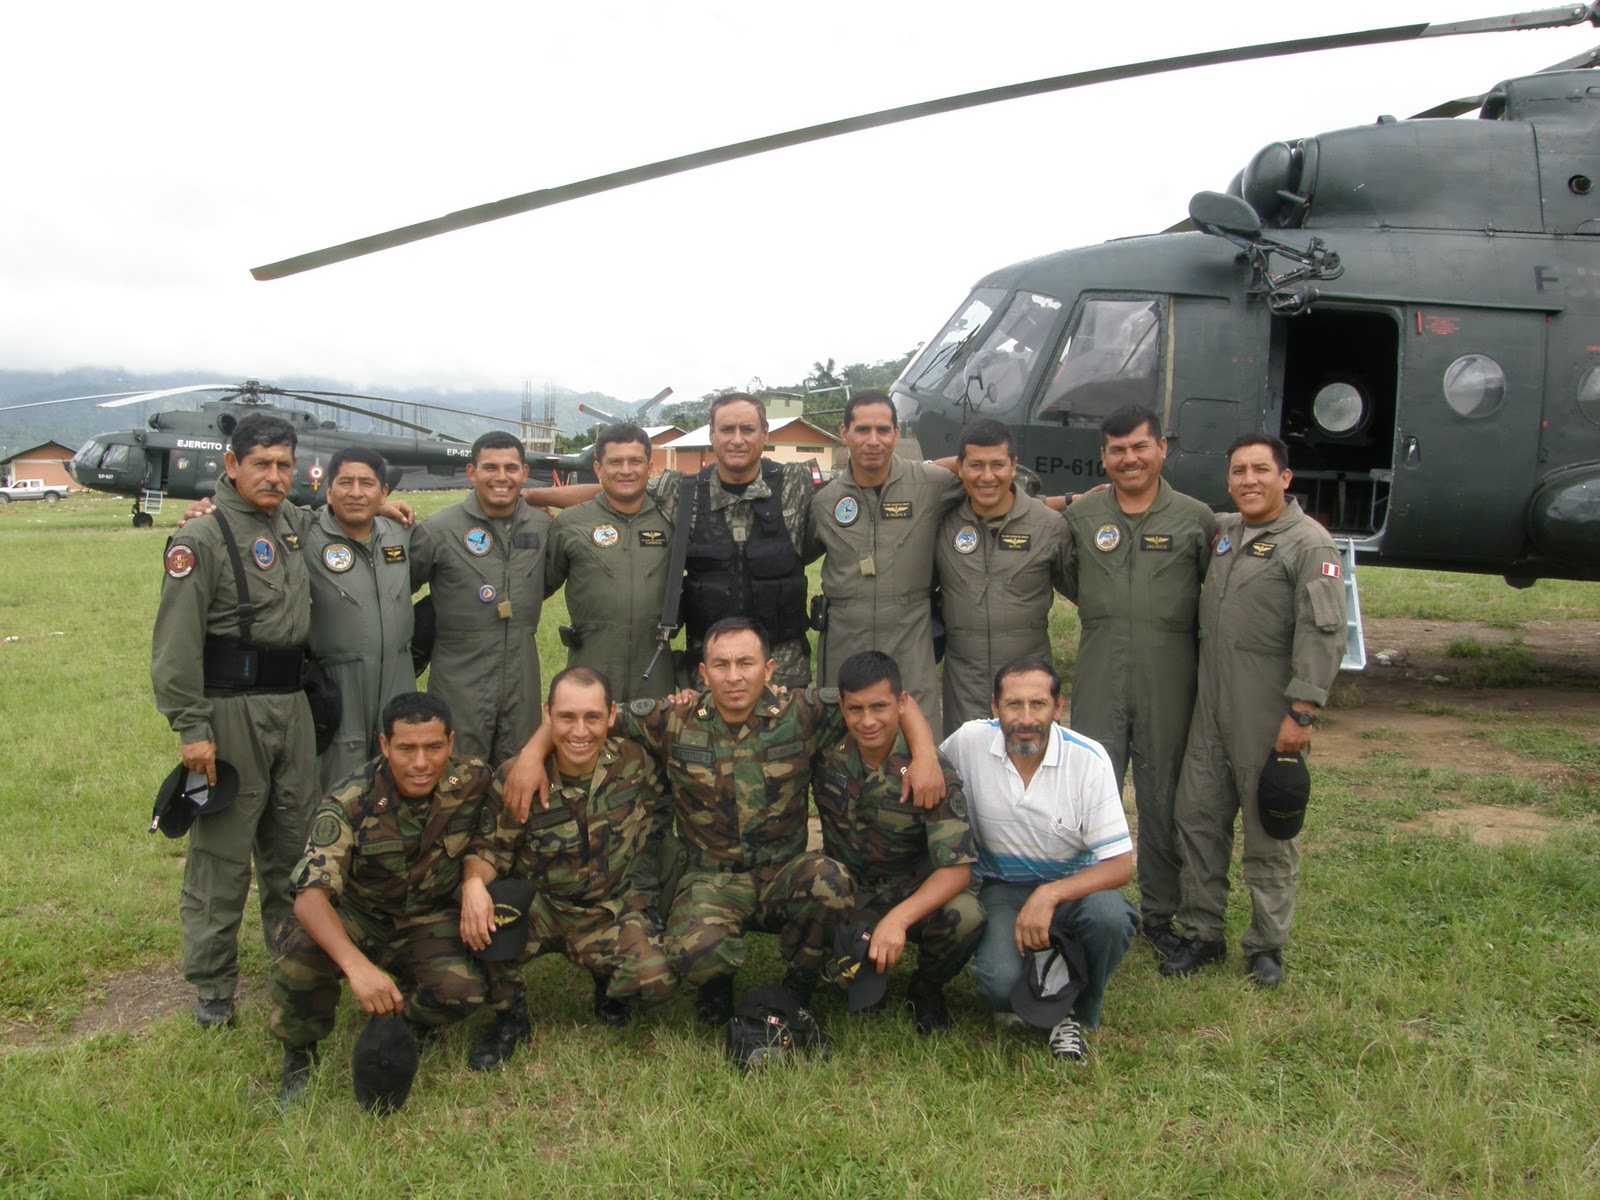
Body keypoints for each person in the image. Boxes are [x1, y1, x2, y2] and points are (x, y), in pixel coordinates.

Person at [502, 616, 947, 1027]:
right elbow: (592, 716)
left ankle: (800, 981)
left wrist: (925, 755)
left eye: (746, 663)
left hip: (783, 872)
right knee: (694, 953)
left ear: (769, 669)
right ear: (702, 673)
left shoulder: (804, 711)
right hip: (710, 878)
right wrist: (532, 753)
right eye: (721, 664)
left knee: (830, 882)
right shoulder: (672, 719)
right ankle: (716, 986)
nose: (734, 676)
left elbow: (882, 699)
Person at [269, 693, 529, 1105]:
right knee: (301, 944)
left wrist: (474, 881)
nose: (421, 763)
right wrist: (355, 967)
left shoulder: (473, 780)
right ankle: (300, 1052)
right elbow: (310, 898)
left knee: (461, 991)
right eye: (406, 748)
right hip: (362, 917)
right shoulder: (350, 800)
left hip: (429, 919)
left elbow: (493, 838)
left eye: (434, 747)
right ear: (385, 745)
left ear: (451, 742)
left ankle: (411, 1017)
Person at [151, 412, 319, 1029]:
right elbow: (175, 646)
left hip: (291, 707)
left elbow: (349, 518)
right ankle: (214, 988)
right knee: (221, 858)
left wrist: (396, 512)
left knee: (294, 846)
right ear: (231, 466)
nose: (275, 476)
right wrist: (191, 727)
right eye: (261, 465)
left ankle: (293, 965)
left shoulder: (293, 524)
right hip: (229, 712)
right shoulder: (201, 539)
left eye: (284, 465)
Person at [1163, 434, 1347, 987]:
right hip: (1210, 709)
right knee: (1197, 819)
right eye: (1238, 470)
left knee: (1269, 832)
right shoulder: (1227, 533)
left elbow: (1323, 634)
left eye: (1261, 470)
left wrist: (1302, 713)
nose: (1249, 480)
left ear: (1284, 479)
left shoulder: (1309, 545)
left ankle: (1266, 946)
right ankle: (1203, 932)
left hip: (1267, 713)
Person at [1060, 405, 1218, 959]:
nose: (1129, 458)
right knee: (1087, 789)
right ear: (1103, 456)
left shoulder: (1197, 519)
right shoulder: (1083, 517)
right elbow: (1069, 577)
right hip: (1102, 665)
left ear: (1162, 448)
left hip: (1169, 671)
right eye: (1117, 449)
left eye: (1139, 447)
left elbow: (1212, 591)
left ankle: (1159, 913)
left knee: (1163, 794)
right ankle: (1079, 907)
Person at [527, 393, 818, 689]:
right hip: (709, 672)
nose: (737, 440)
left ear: (765, 433)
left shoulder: (797, 484)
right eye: (727, 430)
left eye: (747, 429)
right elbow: (614, 489)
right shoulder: (682, 491)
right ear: (712, 434)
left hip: (783, 670)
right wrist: (529, 496)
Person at [939, 656, 1138, 1062]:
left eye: (1038, 704)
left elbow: (1120, 865)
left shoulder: (1089, 760)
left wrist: (1049, 896)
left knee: (1110, 919)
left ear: (1058, 708)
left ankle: (1076, 1015)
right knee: (997, 986)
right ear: (994, 708)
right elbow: (925, 763)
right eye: (1013, 705)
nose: (1026, 718)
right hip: (1004, 890)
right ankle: (1041, 976)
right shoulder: (968, 743)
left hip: (1075, 889)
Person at [464, 667, 676, 1028]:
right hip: (540, 907)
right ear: (547, 716)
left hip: (607, 908)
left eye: (593, 717)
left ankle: (608, 985)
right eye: (566, 717)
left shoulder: (634, 762)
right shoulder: (518, 776)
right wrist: (472, 884)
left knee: (656, 979)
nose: (580, 731)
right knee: (485, 937)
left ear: (611, 715)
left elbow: (656, 823)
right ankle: (509, 1018)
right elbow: (490, 850)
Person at [814, 651, 984, 1034]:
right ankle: (847, 965)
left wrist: (898, 920)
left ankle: (926, 987)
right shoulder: (826, 746)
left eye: (880, 707)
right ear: (841, 706)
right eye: (855, 709)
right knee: (848, 981)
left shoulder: (930, 772)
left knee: (967, 916)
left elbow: (956, 871)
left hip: (912, 891)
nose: (868, 720)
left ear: (902, 703)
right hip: (852, 891)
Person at [808, 391, 966, 725]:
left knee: (917, 732)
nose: (873, 440)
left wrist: (1069, 502)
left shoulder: (931, 484)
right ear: (844, 433)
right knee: (843, 733)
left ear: (897, 433)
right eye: (862, 430)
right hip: (845, 636)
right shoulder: (823, 502)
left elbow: (996, 483)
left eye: (883, 430)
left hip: (909, 634)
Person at [410, 431, 551, 764]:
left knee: (518, 771)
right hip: (460, 679)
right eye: (490, 467)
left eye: (511, 468)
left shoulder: (545, 528)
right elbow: (398, 590)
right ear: (472, 472)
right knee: (457, 776)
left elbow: (550, 579)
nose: (501, 477)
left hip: (522, 676)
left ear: (524, 474)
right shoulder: (437, 530)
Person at [934, 419, 1071, 735]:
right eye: (976, 465)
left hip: (1028, 683)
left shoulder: (1049, 526)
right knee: (966, 772)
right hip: (964, 683)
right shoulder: (942, 524)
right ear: (960, 468)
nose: (987, 476)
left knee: (1032, 772)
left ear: (1014, 466)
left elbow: (1083, 594)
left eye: (997, 464)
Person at [305, 448, 416, 790]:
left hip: (397, 678)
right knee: (337, 787)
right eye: (345, 483)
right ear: (328, 490)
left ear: (384, 493)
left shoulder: (402, 533)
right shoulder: (304, 534)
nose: (355, 492)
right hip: (336, 687)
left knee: (398, 781)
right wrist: (202, 509)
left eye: (367, 484)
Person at [543, 423, 677, 698]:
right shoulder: (571, 523)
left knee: (654, 737)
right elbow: (539, 587)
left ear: (650, 467)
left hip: (654, 668)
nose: (626, 470)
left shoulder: (672, 521)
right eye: (615, 462)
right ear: (597, 469)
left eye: (635, 461)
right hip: (591, 667)